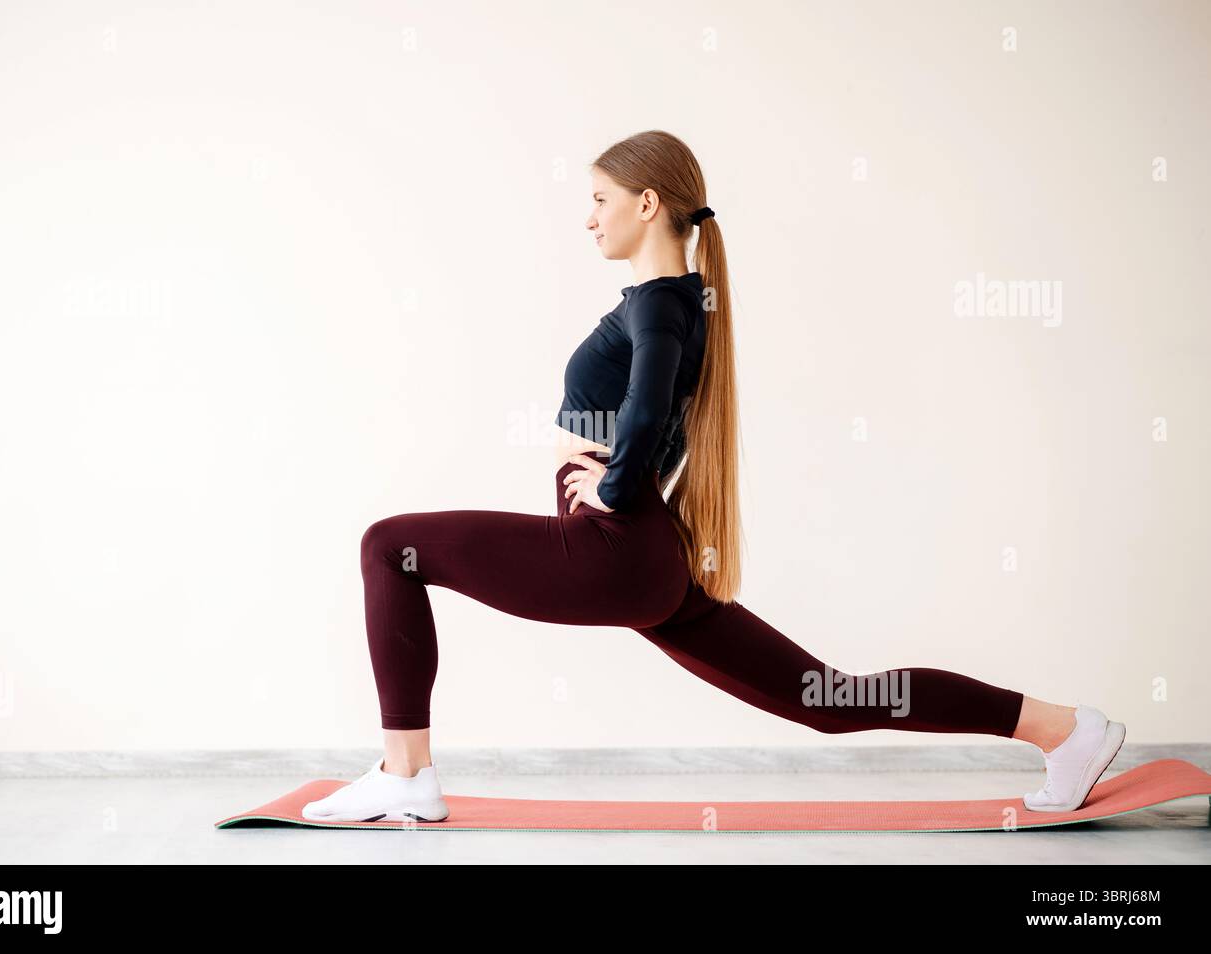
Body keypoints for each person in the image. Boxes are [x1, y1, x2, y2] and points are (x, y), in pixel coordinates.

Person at [302, 130, 1126, 824]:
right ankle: (1063, 729)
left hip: (614, 549)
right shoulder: (670, 299)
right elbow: (651, 406)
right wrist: (625, 490)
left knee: (389, 547)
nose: (588, 217)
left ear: (648, 203)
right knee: (825, 699)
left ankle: (406, 777)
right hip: (641, 560)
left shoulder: (661, 303)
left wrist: (618, 488)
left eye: (599, 199)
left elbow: (652, 407)